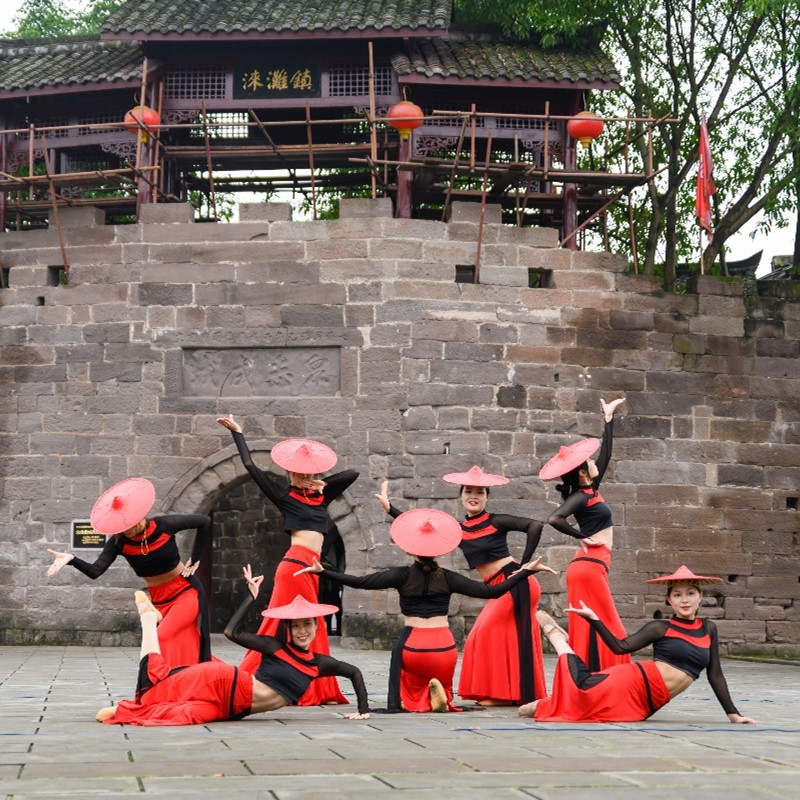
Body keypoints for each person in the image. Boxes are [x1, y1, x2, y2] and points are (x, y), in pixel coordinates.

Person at [300, 508, 556, 713]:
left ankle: (413, 698)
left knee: (402, 658)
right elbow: (492, 591)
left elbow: (361, 582)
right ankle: (440, 691)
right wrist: (525, 572)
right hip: (444, 652)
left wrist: (325, 572)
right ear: (440, 551)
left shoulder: (399, 576)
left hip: (415, 650)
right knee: (446, 661)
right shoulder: (449, 578)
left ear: (410, 549)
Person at [96, 566, 370, 726]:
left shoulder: (319, 664)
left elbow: (354, 672)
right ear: (287, 628)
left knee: (183, 716)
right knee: (162, 681)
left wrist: (362, 710)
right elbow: (231, 632)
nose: (302, 631)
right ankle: (147, 619)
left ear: (316, 626)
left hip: (234, 710)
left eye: (307, 625)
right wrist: (250, 597)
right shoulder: (275, 647)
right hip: (224, 681)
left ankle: (128, 710)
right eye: (296, 625)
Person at [217, 415, 358, 704]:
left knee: (313, 622)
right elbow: (250, 466)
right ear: (289, 474)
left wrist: (322, 483)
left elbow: (353, 473)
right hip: (294, 566)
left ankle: (320, 687)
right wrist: (239, 434)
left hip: (312, 568)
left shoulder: (322, 497)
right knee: (279, 623)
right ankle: (259, 676)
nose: (303, 477)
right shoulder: (286, 498)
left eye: (306, 473)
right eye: (297, 473)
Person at [377, 468, 546, 706]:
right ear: (461, 495)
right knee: (498, 637)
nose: (473, 495)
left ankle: (504, 695)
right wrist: (390, 509)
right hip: (498, 585)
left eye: (479, 492)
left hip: (515, 582)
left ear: (487, 497)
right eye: (468, 491)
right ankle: (505, 694)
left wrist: (525, 564)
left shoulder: (495, 521)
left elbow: (535, 526)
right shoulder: (459, 530)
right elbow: (423, 529)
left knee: (484, 634)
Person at [518, 565, 757, 724]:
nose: (684, 600)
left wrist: (733, 714)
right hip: (629, 682)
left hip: (646, 705)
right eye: (677, 595)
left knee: (588, 712)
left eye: (690, 593)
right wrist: (594, 619)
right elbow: (620, 647)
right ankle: (556, 636)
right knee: (582, 689)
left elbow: (715, 674)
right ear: (668, 599)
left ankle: (543, 704)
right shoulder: (661, 627)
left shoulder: (709, 628)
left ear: (700, 597)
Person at [47, 478, 213, 671]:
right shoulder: (118, 543)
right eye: (121, 527)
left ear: (139, 516)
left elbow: (204, 522)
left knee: (160, 638)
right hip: (159, 601)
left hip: (185, 592)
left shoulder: (164, 525)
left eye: (129, 524)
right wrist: (72, 559)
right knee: (180, 645)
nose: (126, 530)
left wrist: (195, 557)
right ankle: (183, 684)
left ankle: (166, 683)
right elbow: (96, 571)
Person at [539, 397, 628, 671]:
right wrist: (580, 536)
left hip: (594, 566)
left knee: (597, 622)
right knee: (607, 623)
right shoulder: (580, 496)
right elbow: (554, 518)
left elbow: (607, 454)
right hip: (587, 567)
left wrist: (609, 419)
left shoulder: (591, 488)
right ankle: (601, 673)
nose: (593, 462)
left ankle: (595, 673)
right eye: (588, 461)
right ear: (581, 471)